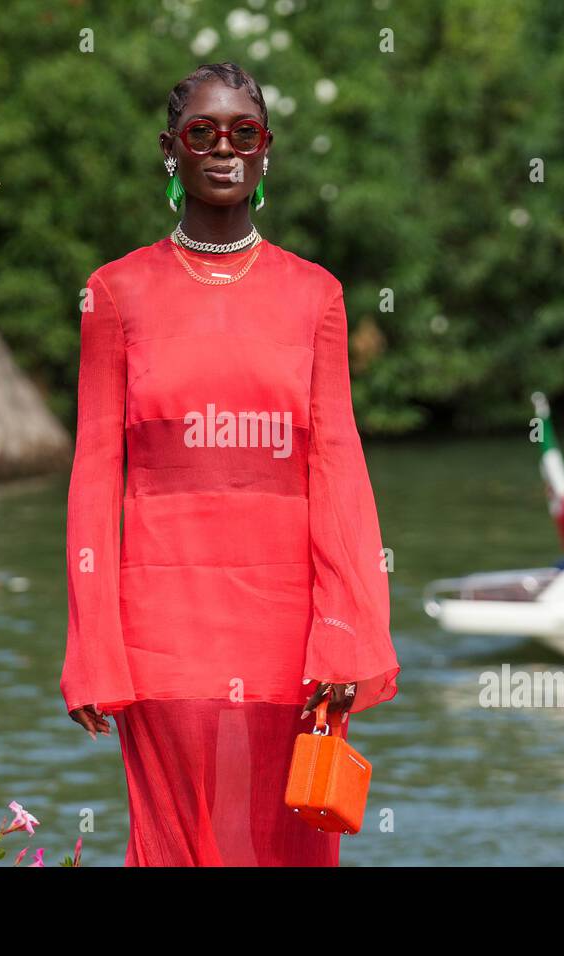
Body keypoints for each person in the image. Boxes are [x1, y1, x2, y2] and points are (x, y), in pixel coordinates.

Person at [60, 61, 400, 866]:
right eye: (201, 133)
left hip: (290, 636)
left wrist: (347, 633)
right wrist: (92, 647)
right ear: (169, 151)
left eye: (244, 133)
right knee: (178, 845)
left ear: (266, 151)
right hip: (164, 634)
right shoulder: (114, 293)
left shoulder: (315, 295)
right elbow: (94, 472)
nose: (223, 148)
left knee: (287, 847)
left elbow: (339, 468)